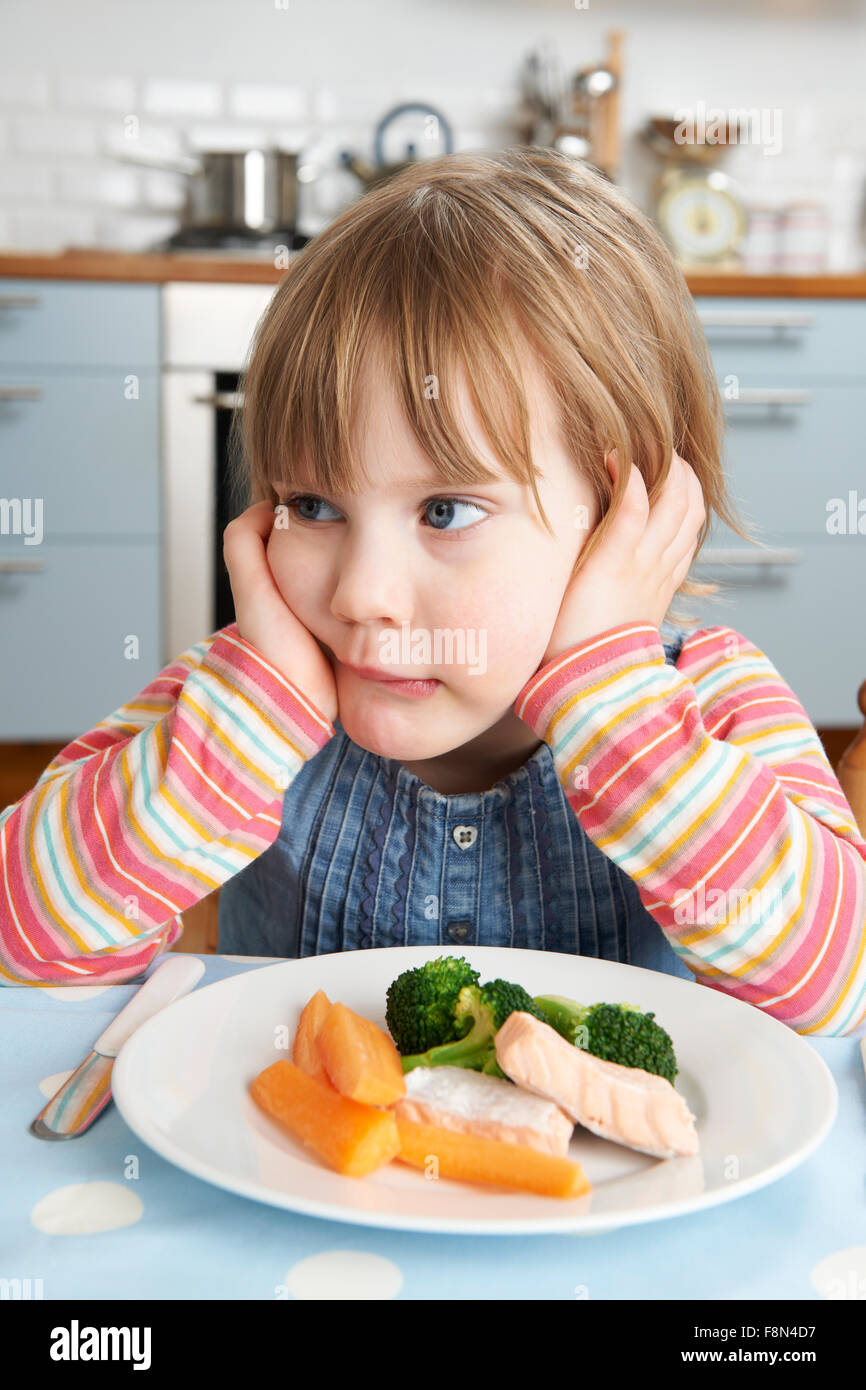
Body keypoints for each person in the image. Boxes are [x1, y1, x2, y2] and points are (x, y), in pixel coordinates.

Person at [2, 148, 864, 1038]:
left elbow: (838, 991)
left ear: (621, 517)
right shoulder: (238, 704)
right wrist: (245, 728)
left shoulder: (711, 699)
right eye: (314, 505)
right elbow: (24, 945)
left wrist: (615, 709)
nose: (362, 595)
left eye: (445, 510)